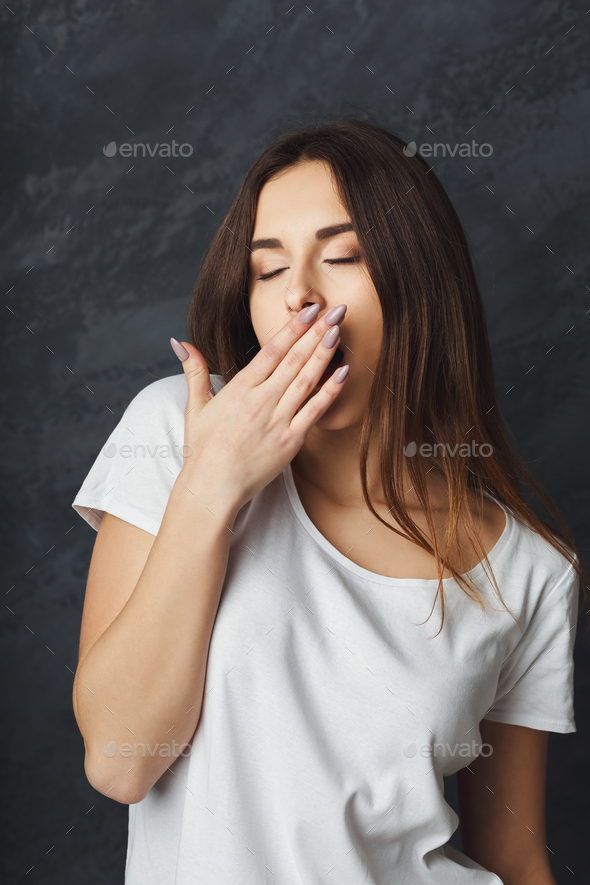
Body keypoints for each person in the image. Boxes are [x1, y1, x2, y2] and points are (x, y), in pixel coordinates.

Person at [71, 117, 586, 885]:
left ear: (421, 283)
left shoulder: (532, 573)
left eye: (343, 257)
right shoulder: (174, 433)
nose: (299, 295)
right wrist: (212, 485)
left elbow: (511, 856)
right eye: (268, 269)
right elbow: (119, 762)